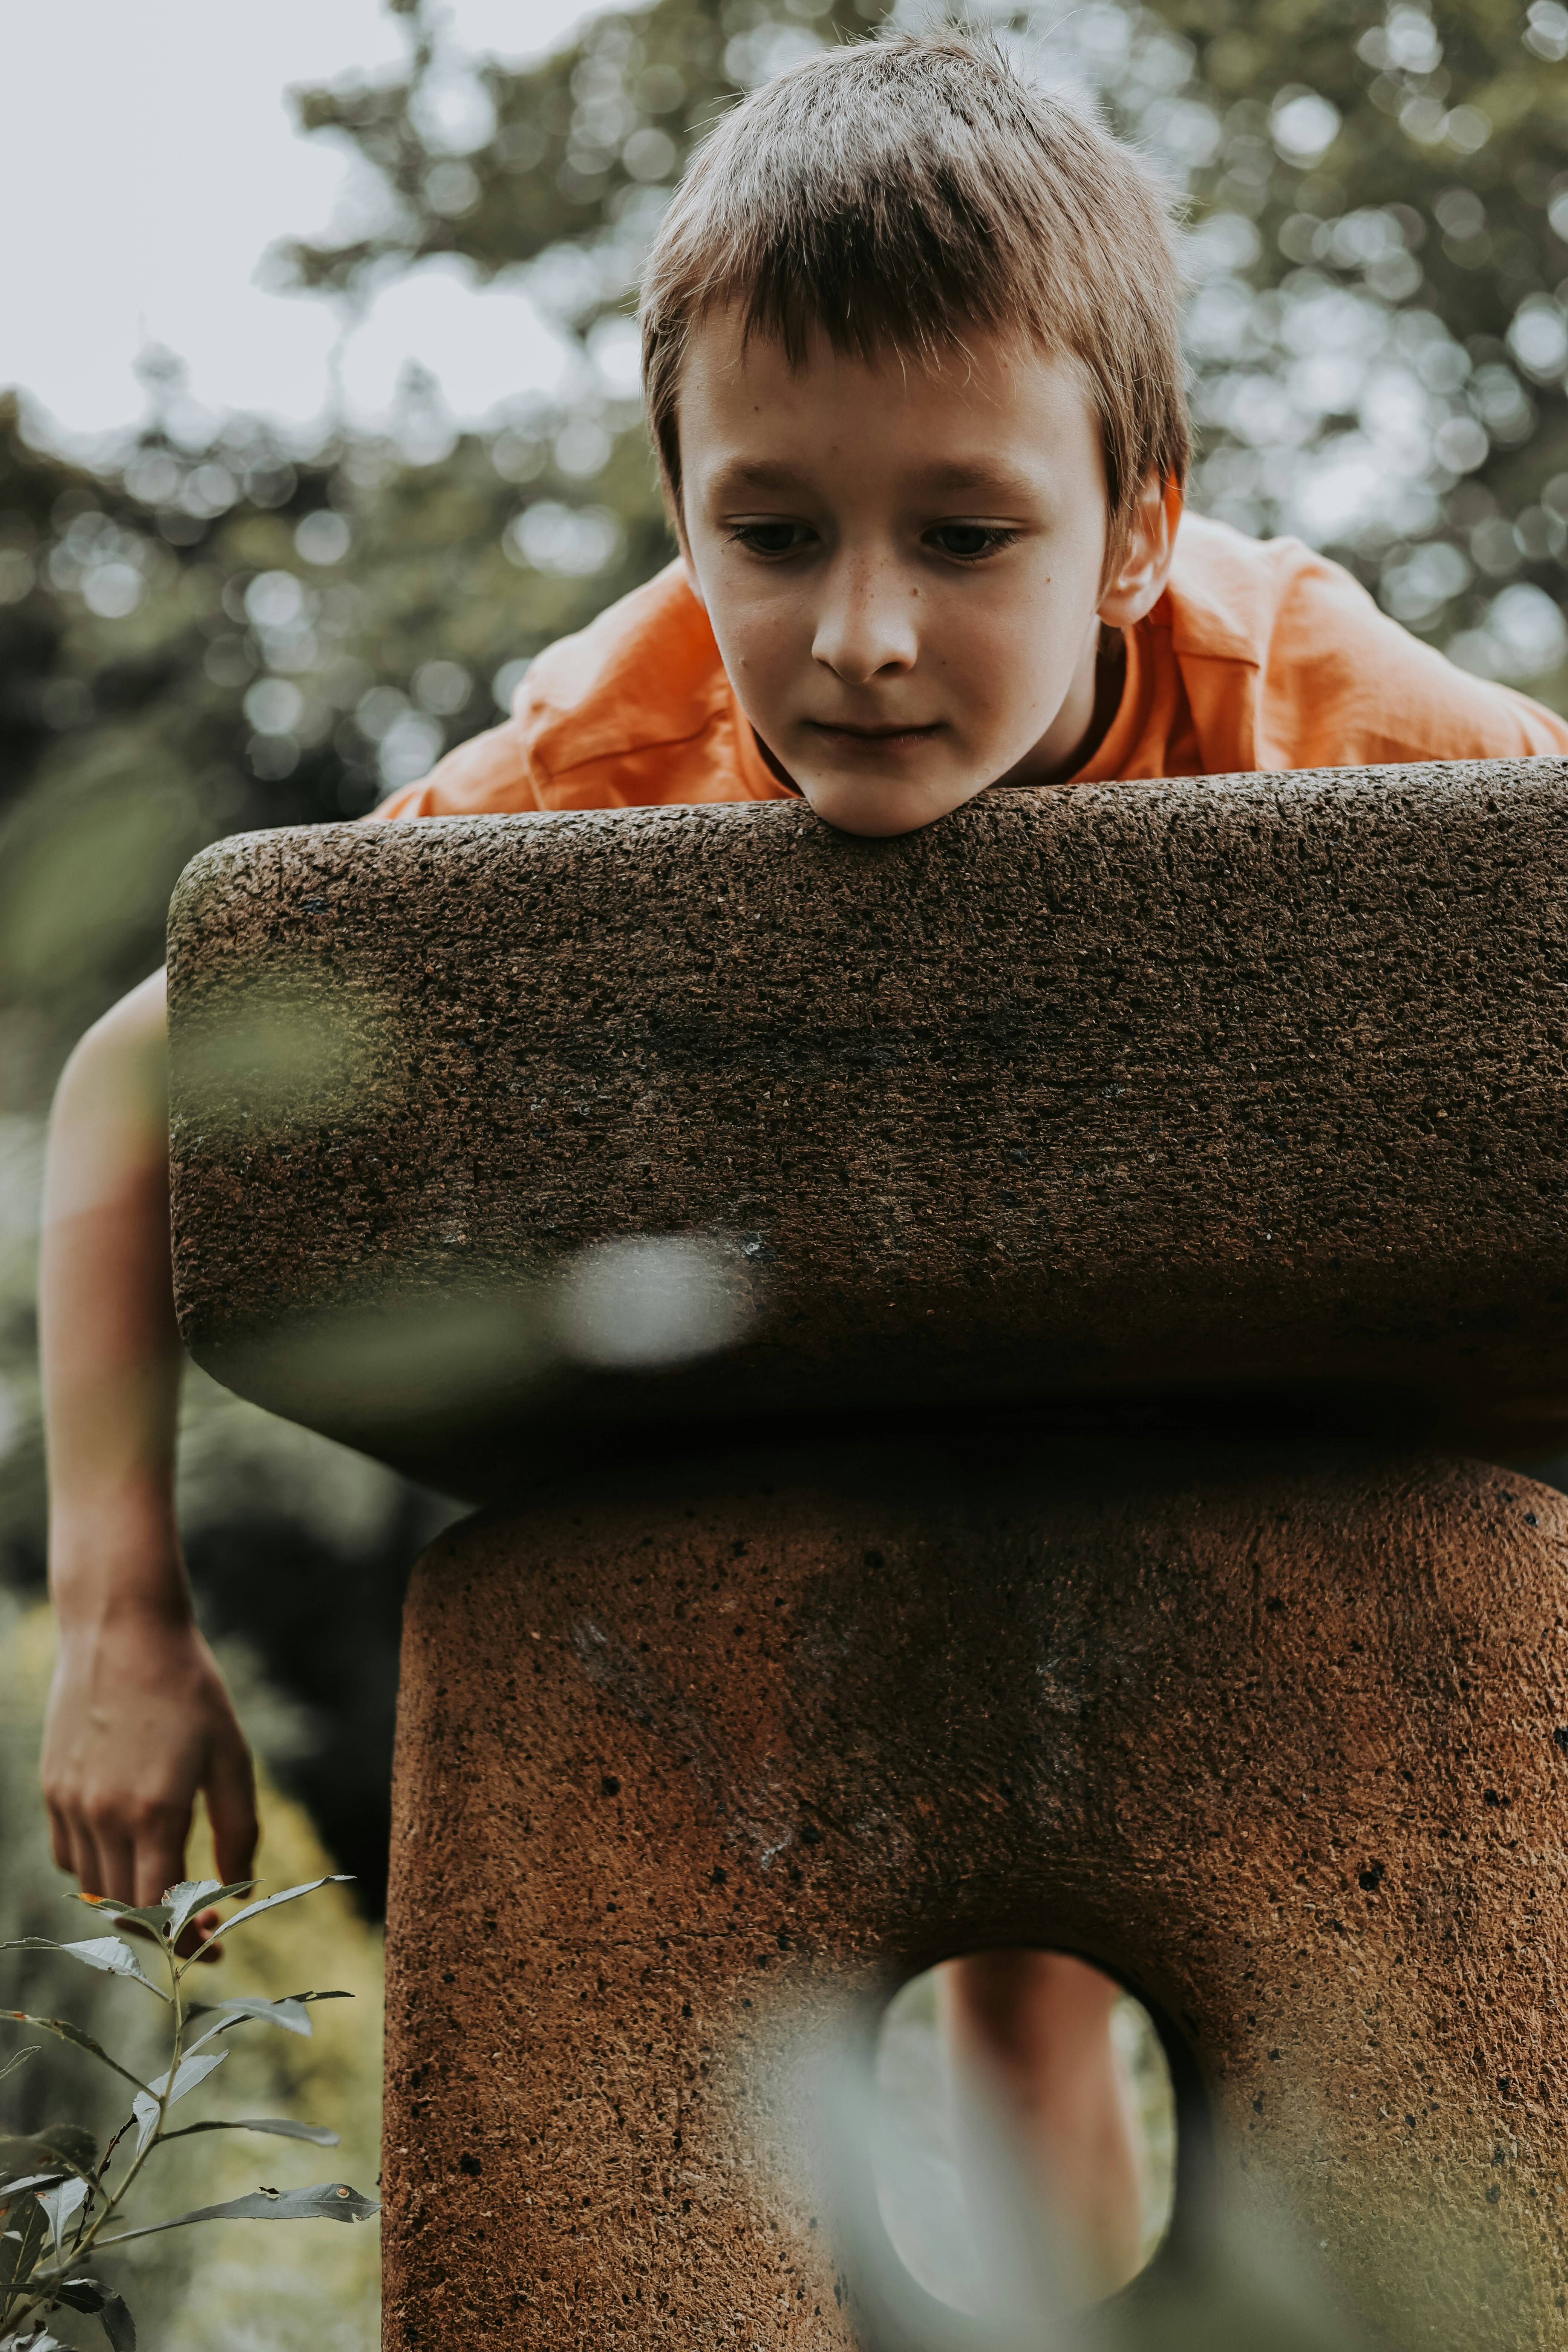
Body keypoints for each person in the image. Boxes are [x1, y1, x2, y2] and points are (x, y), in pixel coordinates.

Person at [39, 28, 1568, 2302]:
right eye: (772, 531)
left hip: (1257, 1369)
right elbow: (141, 1075)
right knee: (1000, 1902)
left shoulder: (1314, 698)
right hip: (862, 1373)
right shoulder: (627, 725)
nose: (859, 633)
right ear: (681, 512)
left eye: (968, 537)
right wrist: (124, 1618)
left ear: (1140, 528)